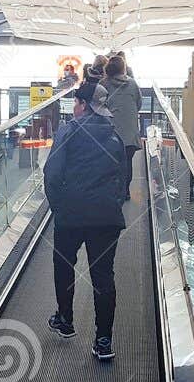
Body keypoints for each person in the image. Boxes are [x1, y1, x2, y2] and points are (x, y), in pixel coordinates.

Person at [43, 80, 128, 361]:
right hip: (106, 217)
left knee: (64, 265)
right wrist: (112, 204)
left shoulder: (68, 132)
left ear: (83, 105)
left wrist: (59, 207)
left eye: (77, 103)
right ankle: (104, 341)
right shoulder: (115, 136)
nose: (75, 108)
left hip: (71, 214)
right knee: (103, 276)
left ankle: (65, 319)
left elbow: (52, 174)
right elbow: (123, 179)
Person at [99, 53, 142, 193]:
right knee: (127, 162)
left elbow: (98, 107)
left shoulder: (103, 84)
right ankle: (126, 191)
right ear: (124, 68)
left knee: (110, 162)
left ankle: (112, 190)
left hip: (110, 133)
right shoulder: (133, 83)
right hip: (130, 133)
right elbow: (139, 104)